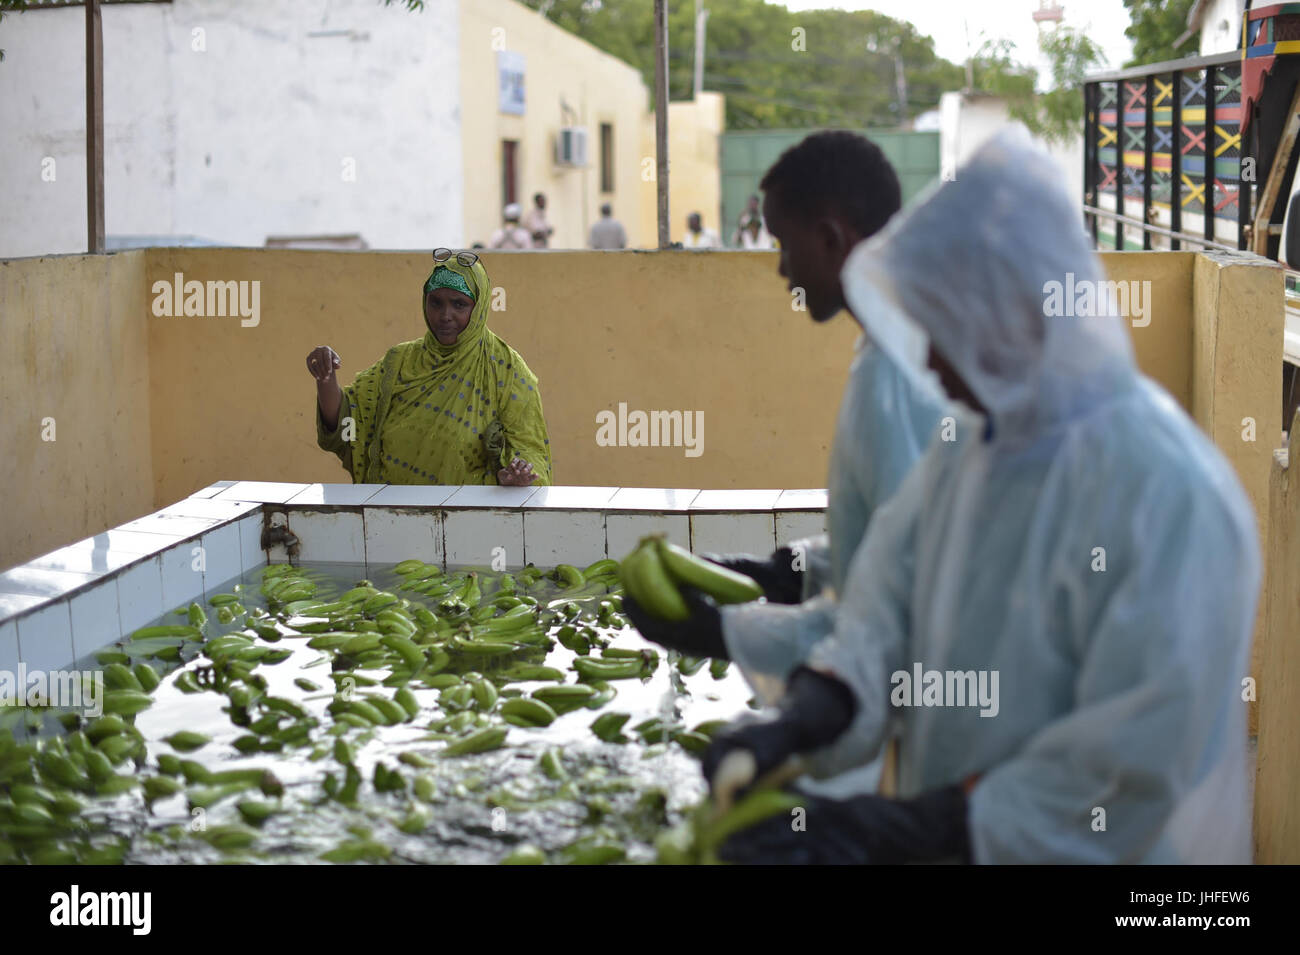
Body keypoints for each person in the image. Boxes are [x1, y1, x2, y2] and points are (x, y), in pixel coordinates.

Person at [692, 127, 1260, 864]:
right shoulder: (972, 454)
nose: (926, 358)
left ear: (1014, 319)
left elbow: (1129, 767)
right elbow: (885, 608)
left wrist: (923, 828)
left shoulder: (1170, 494)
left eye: (943, 331)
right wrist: (815, 706)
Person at [625, 131, 946, 781]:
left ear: (829, 238)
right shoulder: (889, 351)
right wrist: (780, 572)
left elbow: (912, 598)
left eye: (782, 243)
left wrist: (727, 634)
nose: (781, 270)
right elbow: (892, 538)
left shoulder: (896, 376)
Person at [309, 249, 553, 487]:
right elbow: (344, 426)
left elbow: (530, 453)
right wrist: (325, 378)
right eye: (435, 302)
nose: (445, 315)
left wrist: (513, 477)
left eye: (459, 304)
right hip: (389, 517)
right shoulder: (399, 362)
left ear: (478, 308)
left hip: (471, 520)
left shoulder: (506, 370)